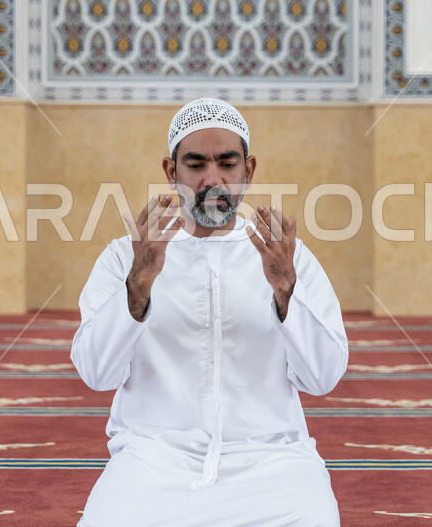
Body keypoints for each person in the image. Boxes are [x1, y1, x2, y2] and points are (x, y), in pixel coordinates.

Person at [71, 98, 349, 526]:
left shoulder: (288, 259)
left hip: (273, 463)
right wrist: (139, 283)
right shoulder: (124, 258)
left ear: (248, 170)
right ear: (171, 171)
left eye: (227, 164)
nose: (212, 180)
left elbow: (323, 377)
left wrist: (284, 290)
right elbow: (96, 374)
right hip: (153, 463)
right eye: (196, 165)